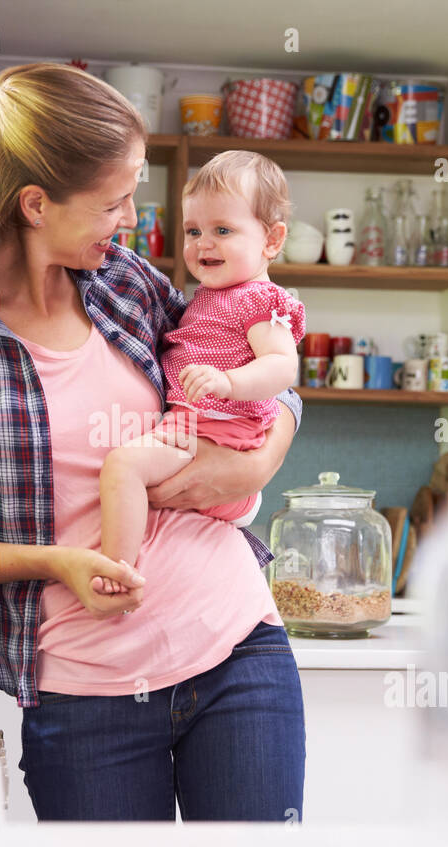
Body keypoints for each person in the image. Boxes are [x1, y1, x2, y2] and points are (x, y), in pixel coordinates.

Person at [0, 63, 306, 821]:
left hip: (237, 646)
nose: (131, 219)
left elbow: (261, 364)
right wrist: (53, 563)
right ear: (36, 204)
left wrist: (263, 456)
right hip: (85, 695)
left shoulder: (124, 285)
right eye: (113, 201)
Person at [94, 150, 306, 595]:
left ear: (271, 240)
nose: (203, 244)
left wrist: (230, 383)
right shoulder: (205, 298)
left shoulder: (261, 299)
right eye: (194, 231)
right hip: (197, 428)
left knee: (122, 467)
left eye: (222, 230)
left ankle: (117, 573)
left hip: (216, 431)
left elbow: (283, 367)